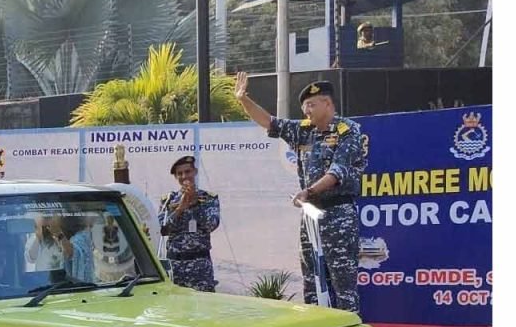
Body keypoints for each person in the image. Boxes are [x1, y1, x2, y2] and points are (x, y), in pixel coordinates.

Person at [234, 73, 366, 313]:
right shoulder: (303, 131)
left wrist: (308, 191)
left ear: (328, 104)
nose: (307, 111)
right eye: (304, 106)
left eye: (311, 105)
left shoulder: (348, 131)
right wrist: (244, 99)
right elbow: (269, 122)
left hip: (338, 214)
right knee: (312, 279)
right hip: (310, 215)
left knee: (342, 282)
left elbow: (338, 171)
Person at [157, 155, 221, 292]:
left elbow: (211, 225)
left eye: (187, 172)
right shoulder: (169, 200)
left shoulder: (208, 198)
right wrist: (180, 208)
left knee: (204, 309)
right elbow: (162, 230)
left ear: (195, 172)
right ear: (176, 177)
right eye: (179, 174)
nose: (184, 176)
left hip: (200, 266)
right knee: (176, 310)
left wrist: (195, 204)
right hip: (175, 266)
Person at [50, 215, 95, 283]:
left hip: (80, 289)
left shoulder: (80, 237)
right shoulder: (79, 237)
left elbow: (71, 252)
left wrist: (59, 234)